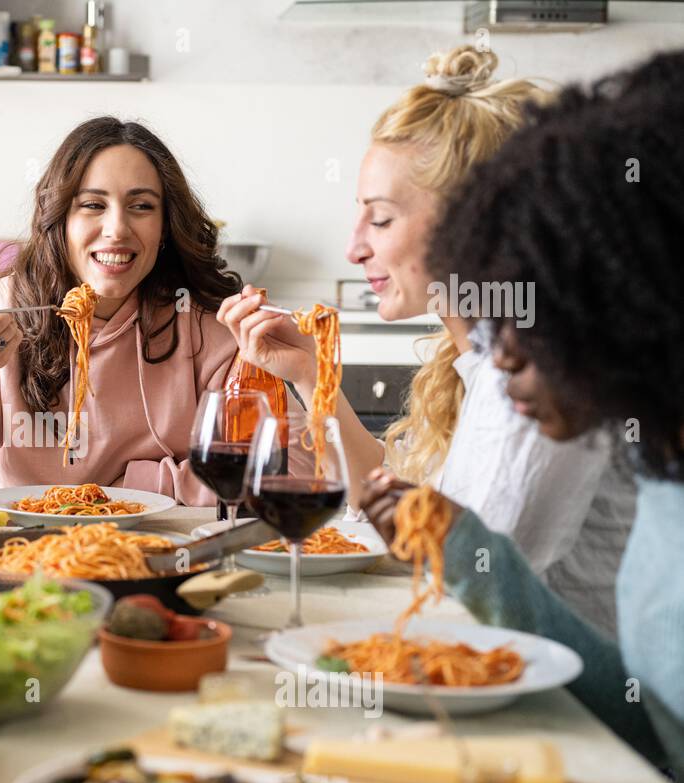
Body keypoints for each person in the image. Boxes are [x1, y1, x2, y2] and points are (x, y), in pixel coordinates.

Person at [217, 45, 636, 637]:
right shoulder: (492, 348)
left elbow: (459, 571)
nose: (354, 247)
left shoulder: (544, 363)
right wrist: (311, 374)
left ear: (476, 224)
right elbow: (405, 514)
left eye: (380, 219)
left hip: (581, 704)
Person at [360, 50, 684, 783]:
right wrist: (472, 550)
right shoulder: (665, 476)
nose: (492, 354)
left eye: (532, 297)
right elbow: (656, 728)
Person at [0, 116, 306, 504]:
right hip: (29, 553)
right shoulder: (4, 314)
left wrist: (123, 491)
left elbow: (290, 471)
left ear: (165, 225)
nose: (116, 228)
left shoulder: (209, 324)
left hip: (170, 552)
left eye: (141, 206)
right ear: (61, 219)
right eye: (92, 205)